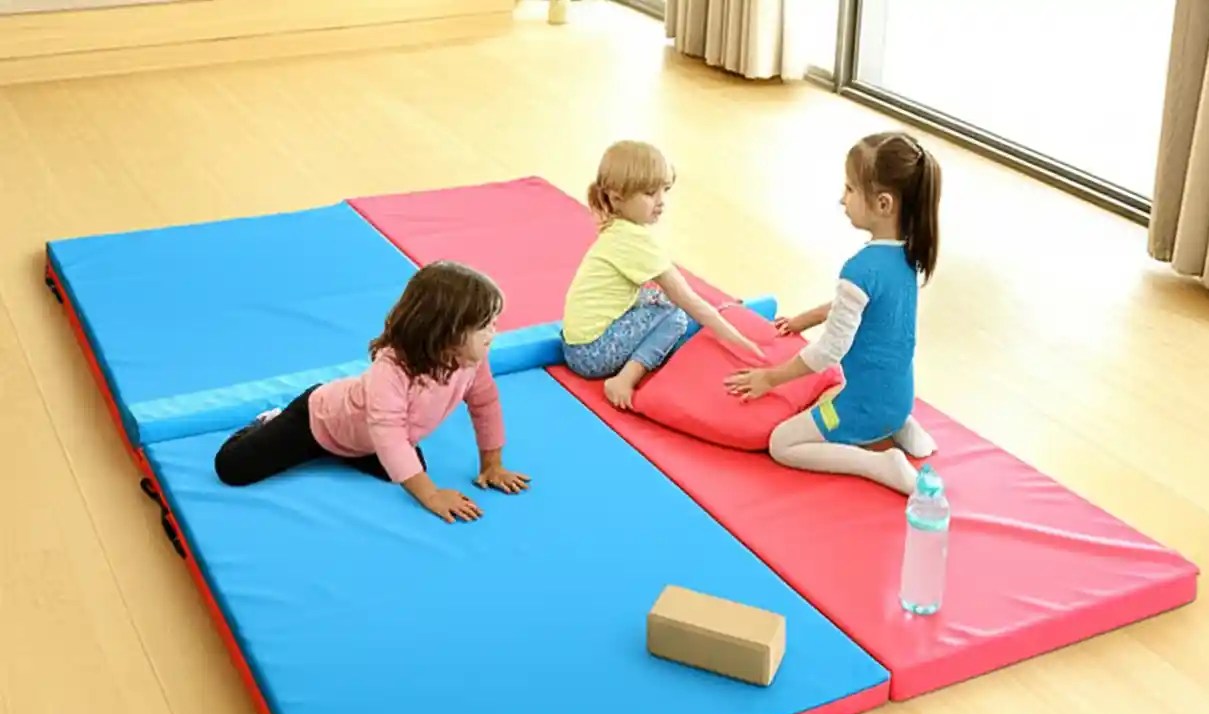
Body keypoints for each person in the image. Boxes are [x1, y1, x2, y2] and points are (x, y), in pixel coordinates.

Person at [213, 261, 530, 524]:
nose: (493, 333)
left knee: (409, 469)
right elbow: (390, 436)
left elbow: (485, 403)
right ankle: (270, 421)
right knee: (232, 469)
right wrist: (432, 495)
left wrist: (492, 464)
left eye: (494, 322)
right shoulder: (391, 371)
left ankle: (346, 452)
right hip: (316, 422)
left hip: (366, 438)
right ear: (444, 332)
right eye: (484, 326)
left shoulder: (471, 361)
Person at [725, 131, 941, 494]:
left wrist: (770, 378)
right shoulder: (907, 257)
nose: (843, 199)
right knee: (866, 381)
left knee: (782, 443)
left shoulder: (860, 269)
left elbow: (829, 352)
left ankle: (878, 464)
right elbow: (863, 311)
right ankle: (899, 425)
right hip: (900, 397)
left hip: (864, 406)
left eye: (850, 189)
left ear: (883, 204)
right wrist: (803, 320)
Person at [561, 140, 764, 410]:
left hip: (575, 347)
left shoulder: (618, 230)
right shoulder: (635, 240)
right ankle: (624, 379)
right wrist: (736, 338)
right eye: (649, 193)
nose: (661, 202)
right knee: (675, 316)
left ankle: (658, 350)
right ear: (616, 197)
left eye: (664, 190)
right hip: (593, 353)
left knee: (658, 299)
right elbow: (687, 300)